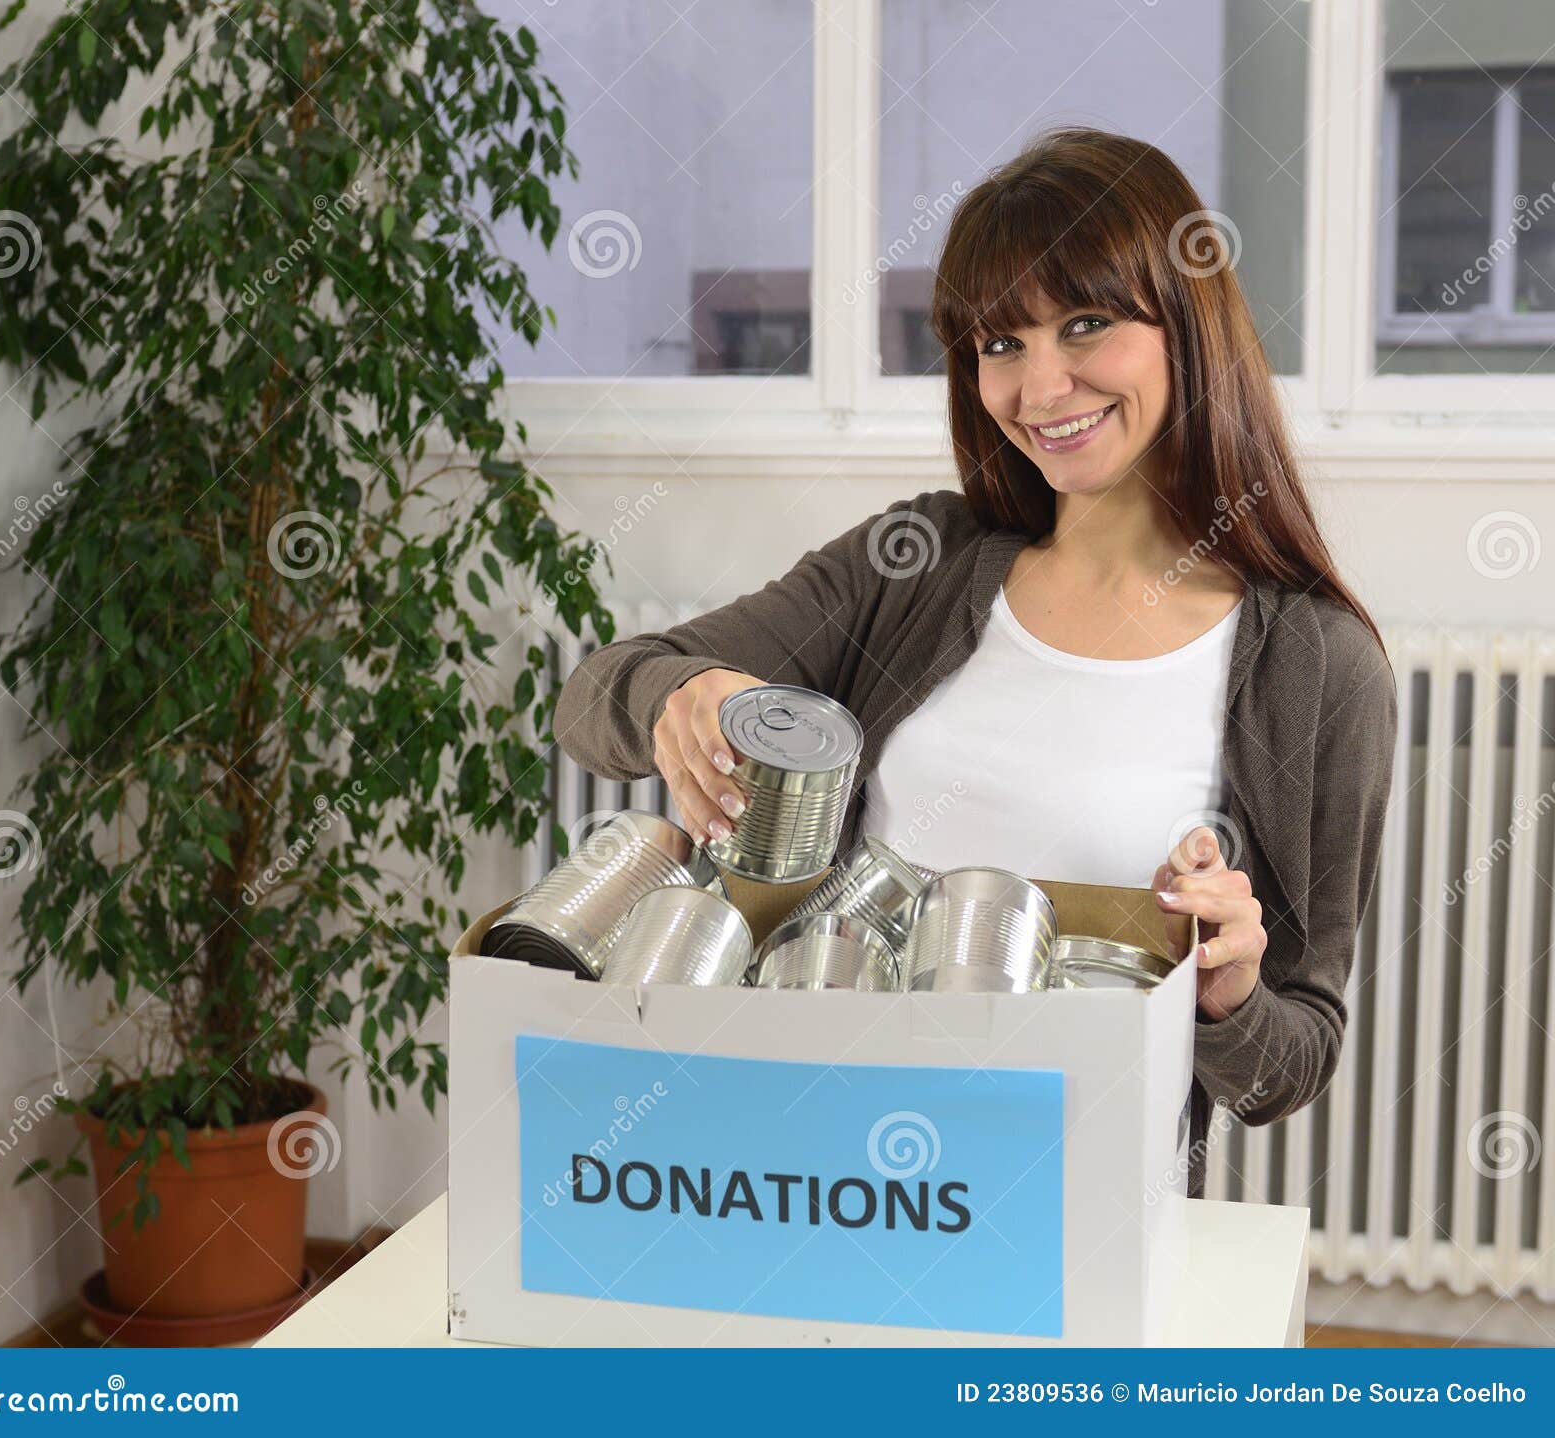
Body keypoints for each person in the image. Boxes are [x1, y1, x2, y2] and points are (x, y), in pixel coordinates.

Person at [553, 126, 1398, 1199]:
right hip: (819, 1172)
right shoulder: (918, 563)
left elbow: (1296, 1056)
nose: (1040, 385)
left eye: (1085, 323)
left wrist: (1229, 995)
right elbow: (595, 694)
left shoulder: (1315, 664)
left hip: (1072, 1208)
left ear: (1184, 325)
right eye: (1000, 344)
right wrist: (675, 695)